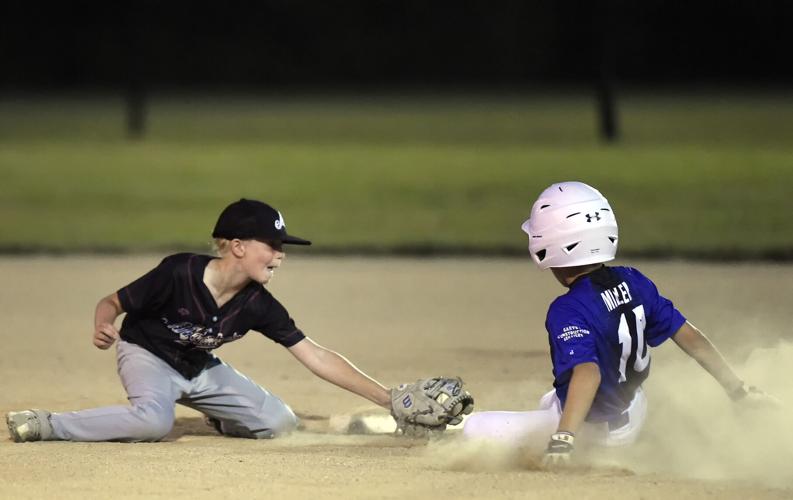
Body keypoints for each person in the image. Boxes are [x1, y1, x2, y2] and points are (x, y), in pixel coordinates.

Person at [6, 199, 470, 442]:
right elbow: (111, 301)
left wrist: (388, 397)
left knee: (280, 424)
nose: (281, 256)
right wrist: (101, 324)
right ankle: (47, 424)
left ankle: (224, 418)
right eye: (274, 245)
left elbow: (316, 356)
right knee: (153, 423)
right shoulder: (178, 272)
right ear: (238, 245)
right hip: (146, 356)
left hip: (199, 369)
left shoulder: (258, 304)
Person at [462, 181, 775, 465]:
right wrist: (738, 389)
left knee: (469, 428)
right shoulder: (633, 280)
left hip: (596, 431)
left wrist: (564, 439)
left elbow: (588, 373)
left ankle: (567, 435)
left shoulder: (567, 309)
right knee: (550, 399)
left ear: (551, 244)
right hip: (635, 407)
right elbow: (689, 336)